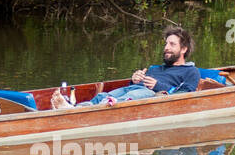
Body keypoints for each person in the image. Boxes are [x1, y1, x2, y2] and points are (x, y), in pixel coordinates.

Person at [52, 26, 201, 108]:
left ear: (184, 49)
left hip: (152, 96)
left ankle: (72, 111)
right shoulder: (155, 68)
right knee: (103, 96)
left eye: (172, 44)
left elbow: (185, 95)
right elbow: (136, 86)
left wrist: (157, 85)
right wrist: (134, 80)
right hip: (136, 90)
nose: (166, 47)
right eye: (166, 43)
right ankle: (74, 109)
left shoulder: (191, 71)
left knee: (122, 99)